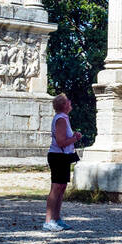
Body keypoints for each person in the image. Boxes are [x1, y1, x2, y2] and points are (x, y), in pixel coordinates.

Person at [43, 94, 82, 231]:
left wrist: (72, 137)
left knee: (61, 188)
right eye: (68, 101)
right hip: (57, 156)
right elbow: (60, 142)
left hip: (62, 156)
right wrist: (74, 139)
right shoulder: (61, 119)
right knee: (56, 188)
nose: (70, 103)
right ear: (64, 105)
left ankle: (56, 218)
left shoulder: (64, 118)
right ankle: (48, 221)